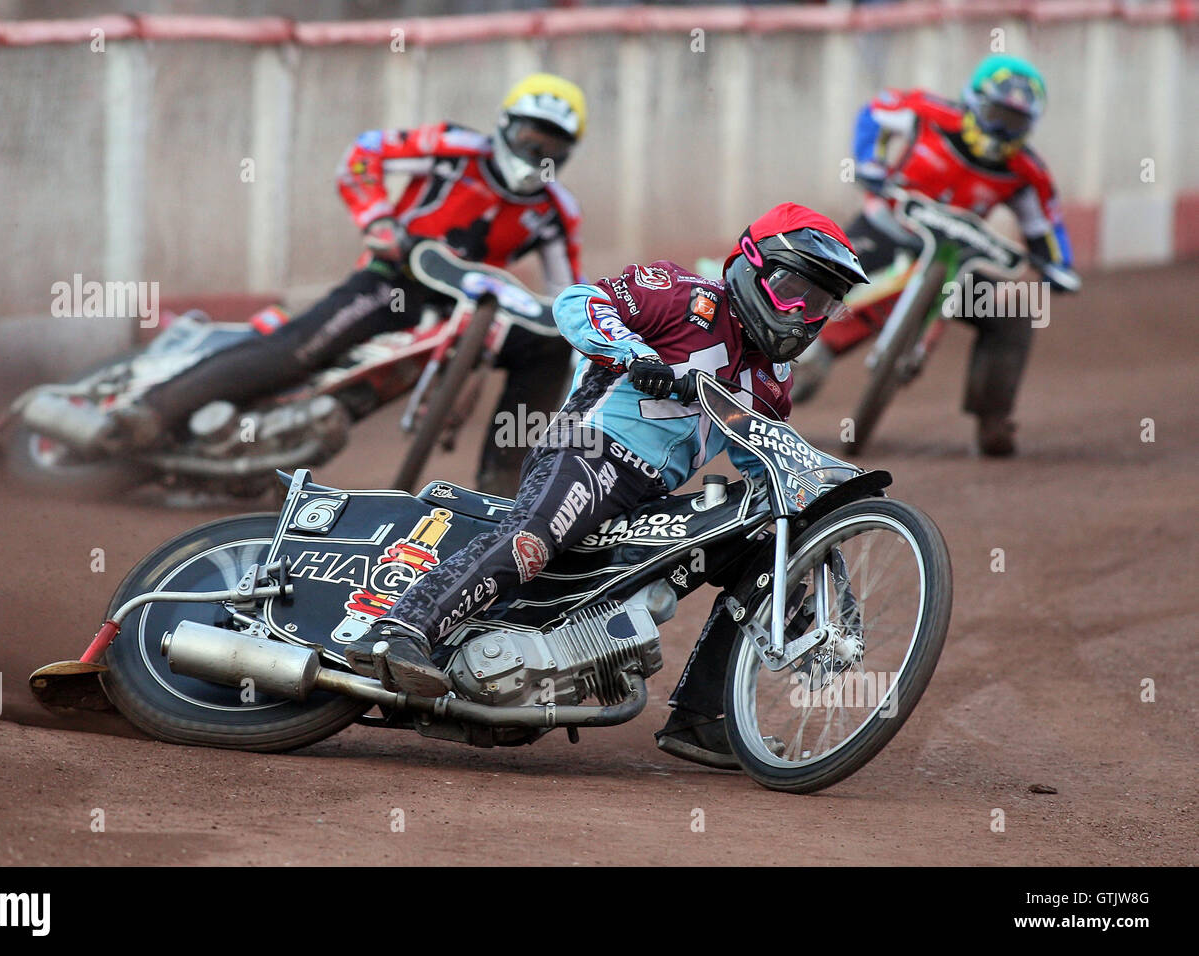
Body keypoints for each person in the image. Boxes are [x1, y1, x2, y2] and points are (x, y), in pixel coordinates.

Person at [342, 202, 869, 770]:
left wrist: (813, 526)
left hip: (650, 496)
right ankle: (402, 630)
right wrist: (634, 354)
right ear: (750, 265)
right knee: (533, 539)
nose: (805, 314)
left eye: (822, 303)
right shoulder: (685, 295)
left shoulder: (772, 382)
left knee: (765, 540)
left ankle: (703, 716)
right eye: (795, 290)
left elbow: (759, 454)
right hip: (588, 451)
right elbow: (576, 302)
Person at [106, 73, 588, 495]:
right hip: (395, 277)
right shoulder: (453, 148)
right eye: (530, 137)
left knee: (547, 345)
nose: (536, 154)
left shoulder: (556, 211)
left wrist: (594, 342)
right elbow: (366, 151)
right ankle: (153, 411)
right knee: (302, 349)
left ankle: (509, 491)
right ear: (505, 125)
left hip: (467, 310)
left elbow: (570, 293)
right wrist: (378, 220)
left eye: (553, 147)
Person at [791, 54, 1079, 456]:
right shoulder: (928, 114)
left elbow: (1046, 226)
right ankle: (782, 355)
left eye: (1014, 122)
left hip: (957, 264)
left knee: (1014, 314)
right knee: (820, 270)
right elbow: (875, 112)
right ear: (974, 102)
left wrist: (1058, 265)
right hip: (887, 227)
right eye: (997, 114)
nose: (1001, 130)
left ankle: (993, 421)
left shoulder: (1027, 171)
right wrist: (869, 161)